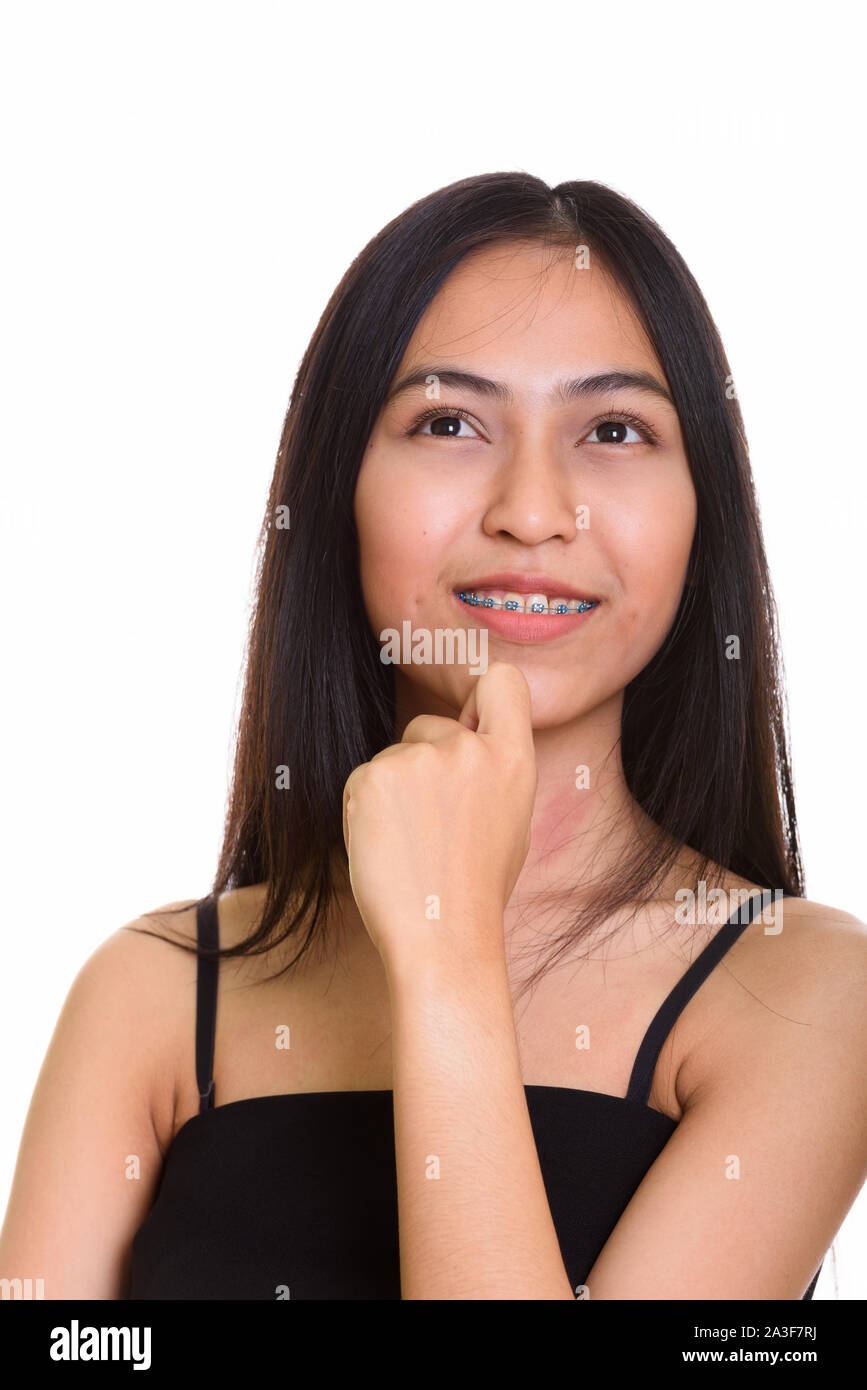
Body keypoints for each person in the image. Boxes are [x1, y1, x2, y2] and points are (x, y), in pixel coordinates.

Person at [2, 174, 865, 1300]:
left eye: (614, 428)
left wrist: (448, 957)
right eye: (448, 422)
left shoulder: (802, 991)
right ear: (341, 488)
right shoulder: (155, 992)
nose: (535, 507)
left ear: (703, 514)